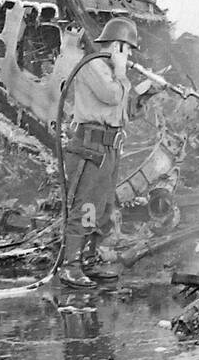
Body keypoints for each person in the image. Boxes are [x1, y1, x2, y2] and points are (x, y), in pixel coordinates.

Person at [59, 16, 152, 289]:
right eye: (128, 48)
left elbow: (122, 112)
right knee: (86, 207)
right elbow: (111, 96)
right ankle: (71, 266)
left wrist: (145, 95)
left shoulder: (112, 72)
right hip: (89, 147)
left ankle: (89, 260)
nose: (130, 54)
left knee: (103, 209)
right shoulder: (92, 66)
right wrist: (122, 73)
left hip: (109, 147)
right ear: (116, 45)